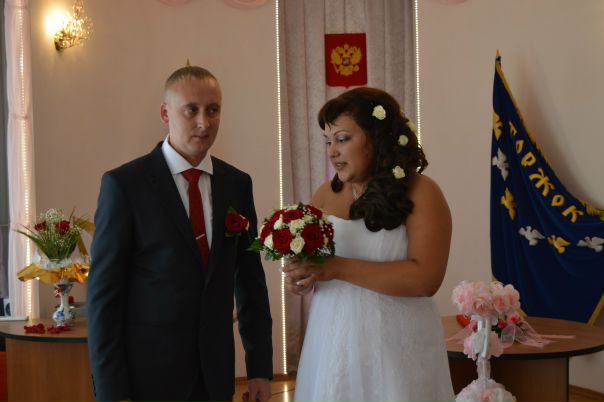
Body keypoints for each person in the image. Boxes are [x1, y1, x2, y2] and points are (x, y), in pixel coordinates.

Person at [87, 65, 273, 402]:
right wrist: (112, 392)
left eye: (213, 110)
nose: (204, 122)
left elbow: (250, 282)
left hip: (215, 377)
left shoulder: (236, 184)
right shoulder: (125, 185)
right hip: (147, 378)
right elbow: (104, 298)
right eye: (191, 110)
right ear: (165, 113)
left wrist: (259, 367)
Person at [283, 87, 455, 401]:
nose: (332, 152)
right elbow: (317, 267)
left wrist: (337, 268)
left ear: (376, 138)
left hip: (397, 349)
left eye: (342, 139)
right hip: (333, 344)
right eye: (328, 141)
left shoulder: (422, 192)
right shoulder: (323, 195)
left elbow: (426, 279)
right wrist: (302, 276)